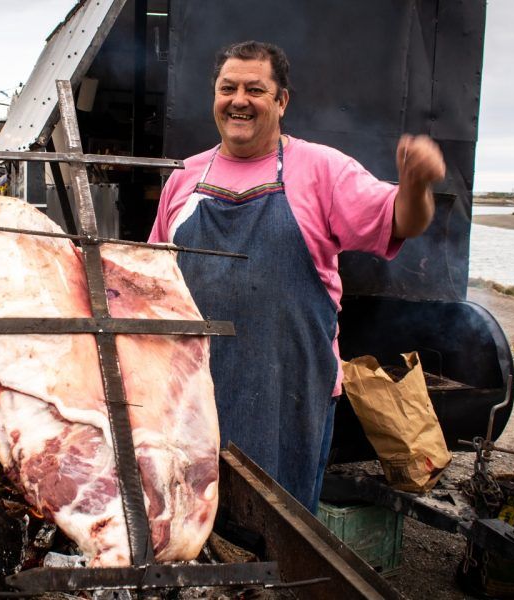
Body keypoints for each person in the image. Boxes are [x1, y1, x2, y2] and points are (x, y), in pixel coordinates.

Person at [148, 41, 445, 510]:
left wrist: (416, 184)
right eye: (228, 88)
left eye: (255, 90)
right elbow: (153, 282)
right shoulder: (185, 177)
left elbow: (402, 220)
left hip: (288, 394)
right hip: (190, 391)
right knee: (187, 519)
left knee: (276, 526)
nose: (239, 100)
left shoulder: (323, 169)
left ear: (282, 100)